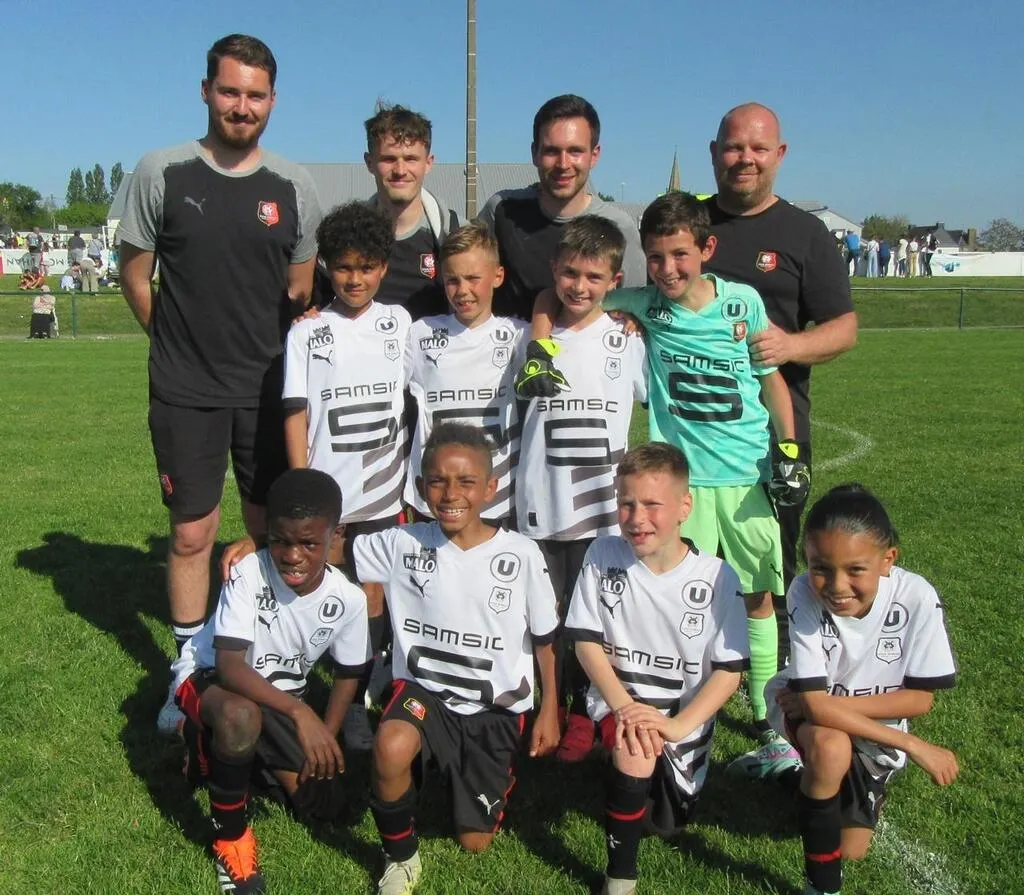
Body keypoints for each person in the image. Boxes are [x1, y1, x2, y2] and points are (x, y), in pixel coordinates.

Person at [118, 33, 323, 736]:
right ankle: (186, 667)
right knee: (192, 532)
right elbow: (135, 275)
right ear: (206, 91)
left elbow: (299, 290)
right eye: (230, 91)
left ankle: (256, 652)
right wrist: (176, 345)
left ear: (273, 101)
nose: (242, 106)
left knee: (270, 529)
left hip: (269, 390)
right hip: (186, 388)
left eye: (256, 95)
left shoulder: (294, 185)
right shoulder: (161, 170)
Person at [351, 423, 560, 895]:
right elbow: (328, 544)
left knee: (474, 842)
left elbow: (546, 640)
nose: (451, 494)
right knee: (390, 743)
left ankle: (450, 777)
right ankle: (400, 858)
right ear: (422, 488)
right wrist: (258, 546)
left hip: (494, 711)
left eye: (465, 482)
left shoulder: (522, 555)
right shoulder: (402, 543)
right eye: (438, 482)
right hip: (425, 693)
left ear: (490, 487)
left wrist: (549, 708)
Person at [170, 468, 371, 895]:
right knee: (240, 718)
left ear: (334, 536)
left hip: (276, 700)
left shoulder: (349, 599)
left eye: (308, 543)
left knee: (324, 806)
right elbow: (229, 666)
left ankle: (207, 750)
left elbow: (348, 673)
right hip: (211, 681)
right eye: (280, 541)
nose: (293, 555)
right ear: (268, 535)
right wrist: (301, 713)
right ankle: (232, 841)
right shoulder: (248, 572)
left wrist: (326, 736)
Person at [565, 443, 749, 895]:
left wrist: (676, 725)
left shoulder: (717, 578)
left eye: (652, 504)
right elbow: (585, 644)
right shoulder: (602, 555)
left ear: (685, 506)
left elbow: (729, 672)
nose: (636, 517)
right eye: (626, 503)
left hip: (678, 721)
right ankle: (620, 877)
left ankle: (645, 779)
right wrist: (625, 707)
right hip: (620, 705)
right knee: (635, 747)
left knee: (667, 825)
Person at [763, 484, 958, 895]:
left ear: (887, 561)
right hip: (803, 710)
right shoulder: (803, 591)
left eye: (855, 570)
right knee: (831, 749)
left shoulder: (916, 597)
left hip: (851, 719)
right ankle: (822, 886)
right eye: (821, 568)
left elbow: (920, 699)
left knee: (852, 849)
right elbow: (812, 707)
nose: (836, 585)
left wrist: (831, 705)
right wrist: (914, 745)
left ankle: (784, 771)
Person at [515, 215, 647, 762]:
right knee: (549, 610)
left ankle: (596, 705)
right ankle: (559, 703)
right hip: (544, 503)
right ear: (554, 271)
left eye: (593, 277)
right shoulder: (529, 338)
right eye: (569, 273)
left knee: (599, 612)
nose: (578, 286)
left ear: (614, 280)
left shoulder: (626, 338)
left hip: (602, 508)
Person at [282, 201, 410, 751]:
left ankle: (361, 694)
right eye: (343, 266)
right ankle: (310, 679)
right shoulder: (307, 332)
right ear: (326, 267)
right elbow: (295, 411)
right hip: (328, 495)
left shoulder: (400, 324)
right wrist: (302, 488)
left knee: (372, 595)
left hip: (383, 496)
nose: (354, 278)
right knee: (325, 593)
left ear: (383, 267)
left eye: (367, 266)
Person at [478, 94, 645, 320]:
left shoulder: (619, 227)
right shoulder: (501, 210)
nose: (563, 164)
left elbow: (632, 316)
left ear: (594, 155)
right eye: (551, 151)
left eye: (575, 151)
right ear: (534, 153)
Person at [404, 221, 525, 523]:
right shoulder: (419, 334)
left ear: (498, 276)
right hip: (436, 499)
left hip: (498, 497)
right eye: (452, 280)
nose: (463, 291)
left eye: (473, 278)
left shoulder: (520, 336)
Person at [363, 104, 464, 320]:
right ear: (369, 162)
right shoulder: (348, 239)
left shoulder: (457, 233)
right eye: (389, 159)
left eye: (411, 159)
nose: (400, 171)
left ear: (428, 163)